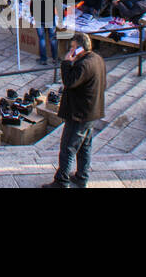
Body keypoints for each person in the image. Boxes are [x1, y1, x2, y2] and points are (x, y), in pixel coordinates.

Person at [44, 32, 107, 188]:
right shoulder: (97, 59)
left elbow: (69, 81)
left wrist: (66, 63)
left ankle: (62, 180)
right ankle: (81, 176)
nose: (70, 50)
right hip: (91, 111)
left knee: (68, 148)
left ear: (80, 48)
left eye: (72, 47)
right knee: (85, 146)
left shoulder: (83, 65)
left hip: (79, 114)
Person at [32, 0, 59, 65]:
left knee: (42, 39)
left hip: (39, 17)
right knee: (53, 38)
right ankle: (55, 58)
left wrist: (33, 14)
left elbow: (33, 4)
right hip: (50, 17)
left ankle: (43, 59)